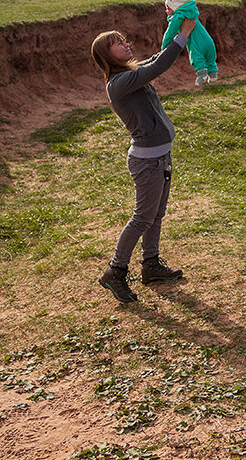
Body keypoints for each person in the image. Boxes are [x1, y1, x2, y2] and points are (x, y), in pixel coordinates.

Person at [90, 19, 196, 303]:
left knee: (155, 216)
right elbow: (159, 66)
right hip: (148, 162)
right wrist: (183, 35)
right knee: (141, 219)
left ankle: (151, 265)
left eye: (124, 40)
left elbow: (154, 59)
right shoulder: (119, 82)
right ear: (106, 56)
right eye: (118, 43)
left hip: (160, 158)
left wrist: (175, 32)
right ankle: (115, 271)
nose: (126, 44)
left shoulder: (132, 73)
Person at [163, 0, 219, 85]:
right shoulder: (191, 13)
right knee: (210, 58)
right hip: (209, 41)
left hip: (196, 43)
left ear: (176, 7)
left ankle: (202, 75)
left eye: (168, 8)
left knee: (196, 57)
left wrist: (165, 45)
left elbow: (170, 32)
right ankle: (213, 76)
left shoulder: (178, 17)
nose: (166, 11)